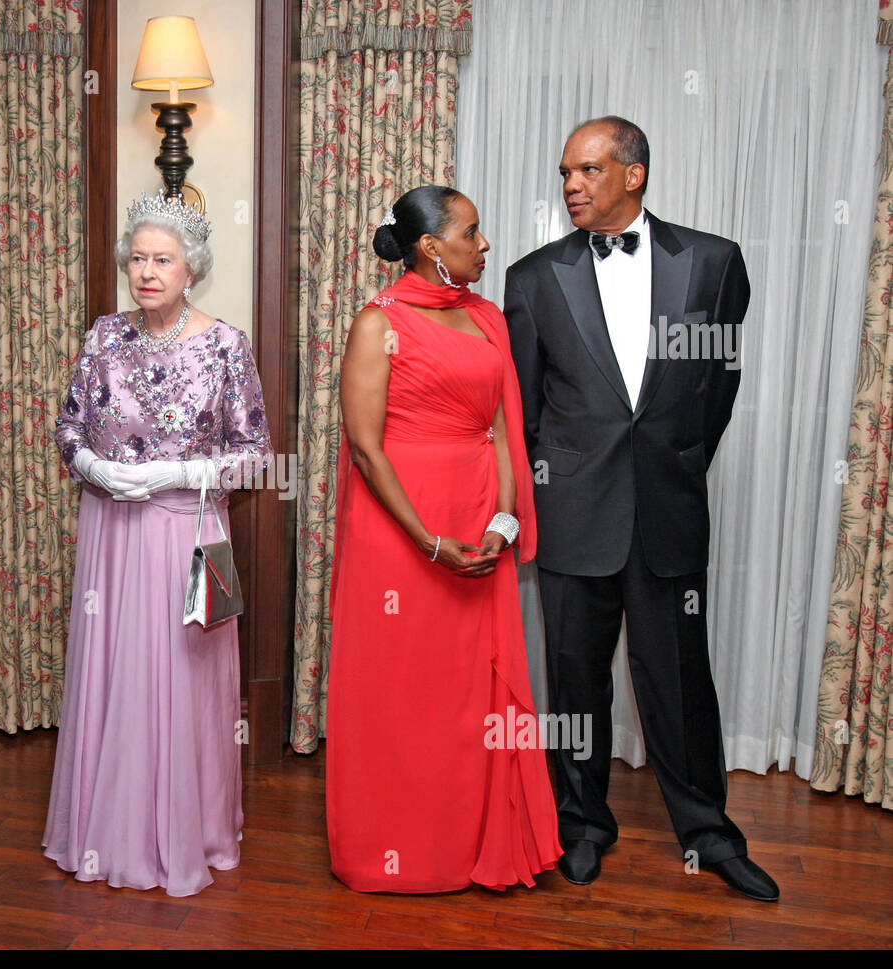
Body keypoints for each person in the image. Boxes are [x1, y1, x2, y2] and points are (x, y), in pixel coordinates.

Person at [503, 116, 778, 901]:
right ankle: (583, 824)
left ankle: (710, 835)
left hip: (665, 514)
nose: (572, 186)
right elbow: (522, 413)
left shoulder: (714, 263)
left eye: (588, 170)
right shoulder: (531, 278)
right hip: (574, 516)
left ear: (635, 174)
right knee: (574, 683)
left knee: (680, 681)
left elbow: (714, 393)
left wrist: (674, 463)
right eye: (565, 173)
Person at [325, 185, 562, 893]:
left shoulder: (486, 317)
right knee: (403, 691)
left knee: (469, 693)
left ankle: (475, 841)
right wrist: (429, 542)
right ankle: (394, 847)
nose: (485, 244)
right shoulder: (378, 323)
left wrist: (504, 518)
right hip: (400, 529)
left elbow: (500, 426)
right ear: (432, 247)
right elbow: (366, 449)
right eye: (473, 231)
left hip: (477, 518)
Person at [45, 192, 272, 897]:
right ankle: (106, 831)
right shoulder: (104, 335)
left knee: (185, 678)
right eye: (138, 258)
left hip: (191, 533)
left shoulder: (225, 344)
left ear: (191, 268)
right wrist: (92, 467)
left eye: (163, 259)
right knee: (117, 675)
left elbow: (255, 455)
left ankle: (188, 831)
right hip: (111, 531)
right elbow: (69, 427)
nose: (147, 271)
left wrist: (173, 472)